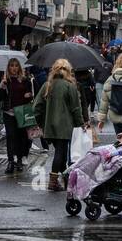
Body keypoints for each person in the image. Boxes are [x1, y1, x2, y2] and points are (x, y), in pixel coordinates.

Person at [33, 58, 86, 190]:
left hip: (49, 126)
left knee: (59, 152)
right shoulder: (70, 87)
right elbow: (76, 109)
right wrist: (81, 124)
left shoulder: (47, 85)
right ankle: (53, 181)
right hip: (65, 126)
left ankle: (65, 179)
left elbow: (36, 108)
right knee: (60, 153)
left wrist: (41, 123)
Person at [0, 58, 35, 175]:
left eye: (16, 66)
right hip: (9, 113)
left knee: (21, 137)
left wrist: (28, 95)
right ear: (8, 68)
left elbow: (31, 96)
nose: (14, 68)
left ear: (19, 68)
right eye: (11, 66)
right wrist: (2, 87)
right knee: (10, 136)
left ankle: (19, 160)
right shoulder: (6, 81)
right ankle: (10, 161)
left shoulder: (25, 80)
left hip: (22, 112)